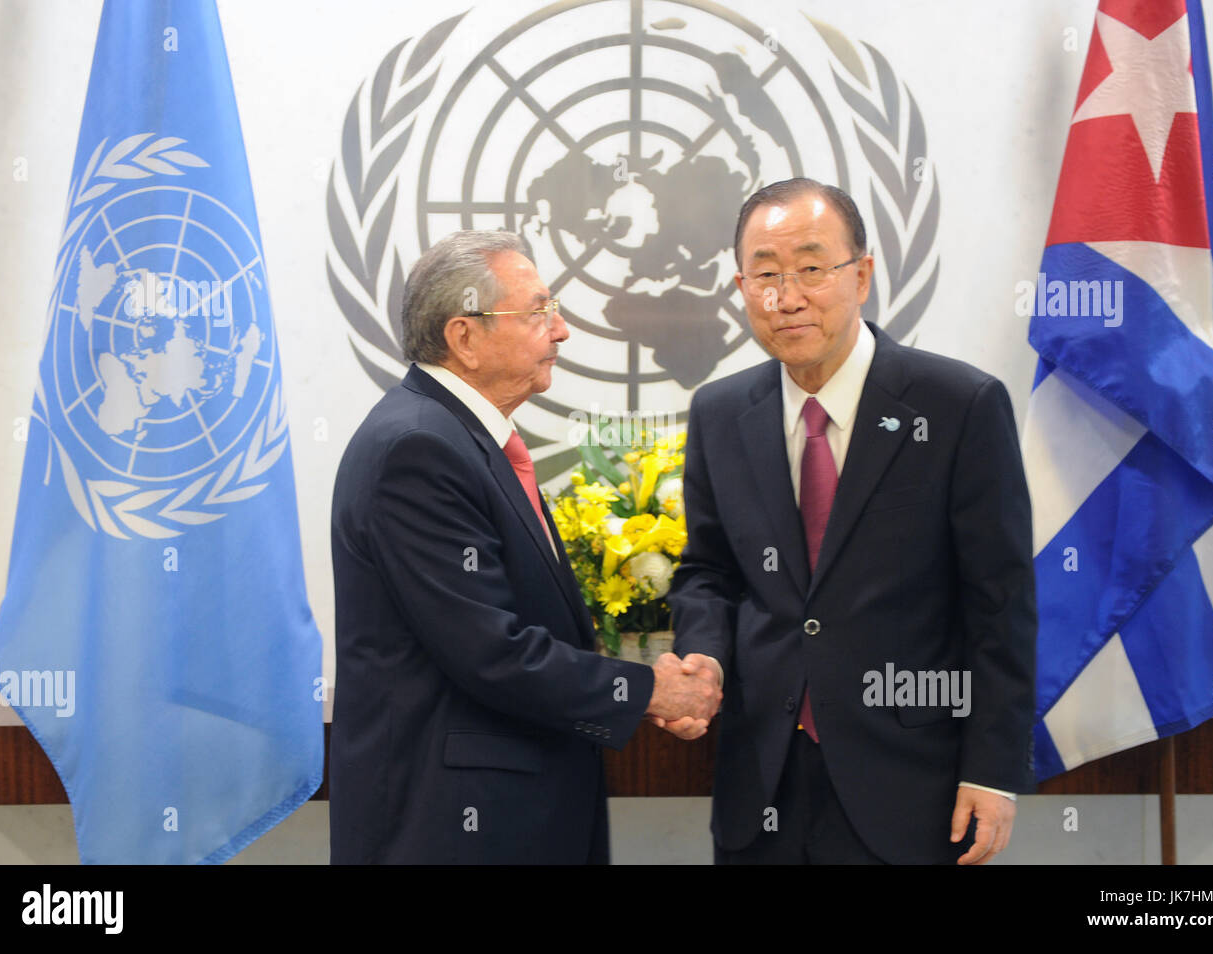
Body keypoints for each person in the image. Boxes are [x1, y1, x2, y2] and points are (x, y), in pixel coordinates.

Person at [668, 179, 1037, 864]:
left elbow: (1001, 604)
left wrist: (992, 769)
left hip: (911, 783)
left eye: (812, 269)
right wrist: (705, 658)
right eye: (766, 275)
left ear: (862, 275)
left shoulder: (959, 405)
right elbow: (708, 572)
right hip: (763, 784)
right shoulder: (720, 413)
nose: (788, 297)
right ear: (741, 287)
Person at [329, 230, 719, 864]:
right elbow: (491, 652)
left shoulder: (455, 437)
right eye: (538, 312)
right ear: (464, 336)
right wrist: (648, 691)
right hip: (452, 828)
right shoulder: (418, 450)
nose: (561, 331)